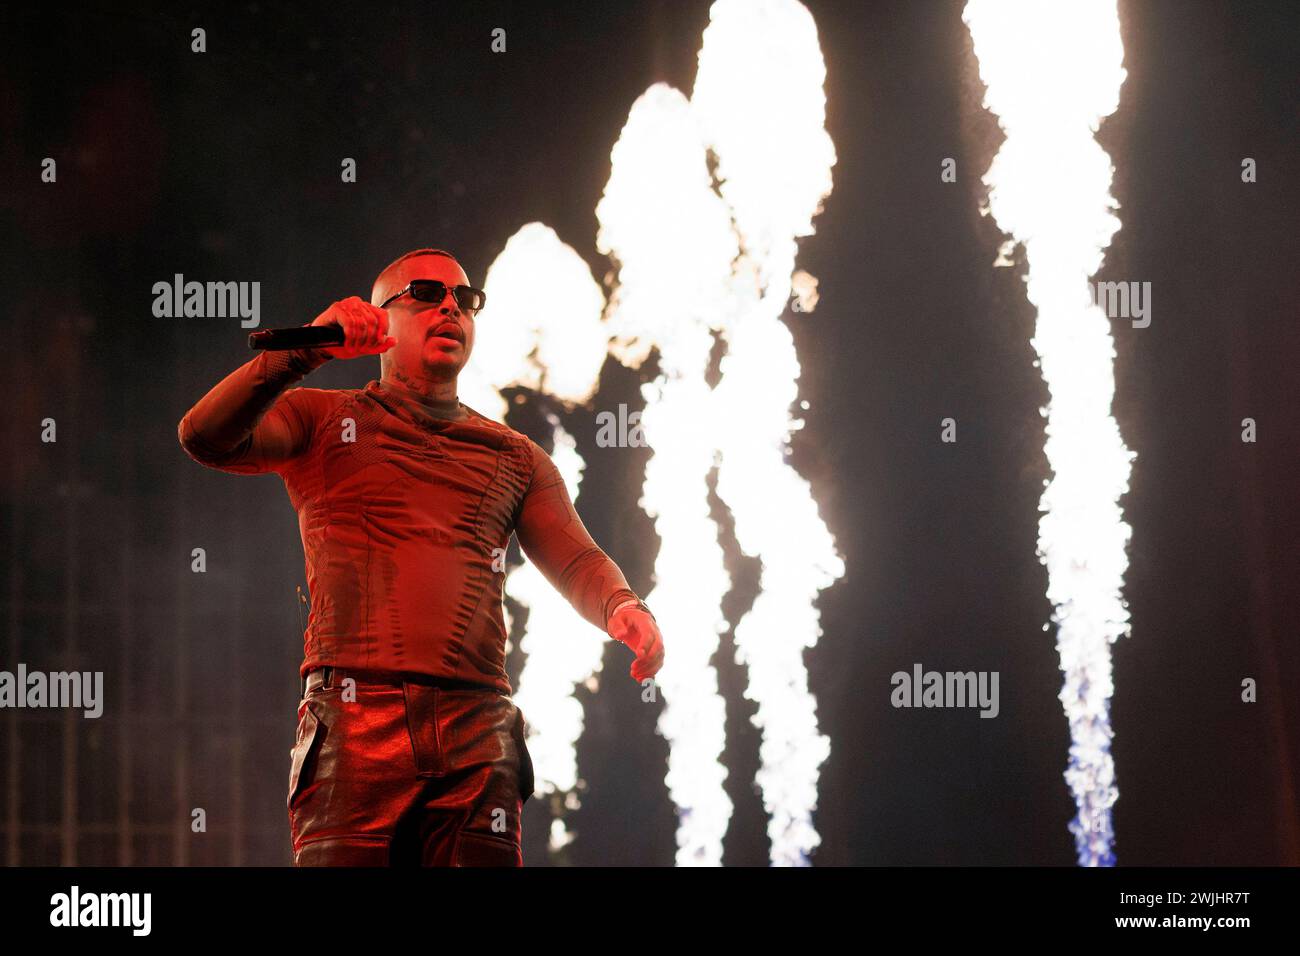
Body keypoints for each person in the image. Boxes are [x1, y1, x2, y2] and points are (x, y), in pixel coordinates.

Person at [177, 248, 665, 866]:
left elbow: (576, 559)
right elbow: (204, 436)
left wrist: (625, 606)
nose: (450, 308)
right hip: (357, 724)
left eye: (465, 300)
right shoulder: (326, 420)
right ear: (380, 320)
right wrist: (305, 352)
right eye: (427, 294)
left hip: (478, 731)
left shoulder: (513, 456)